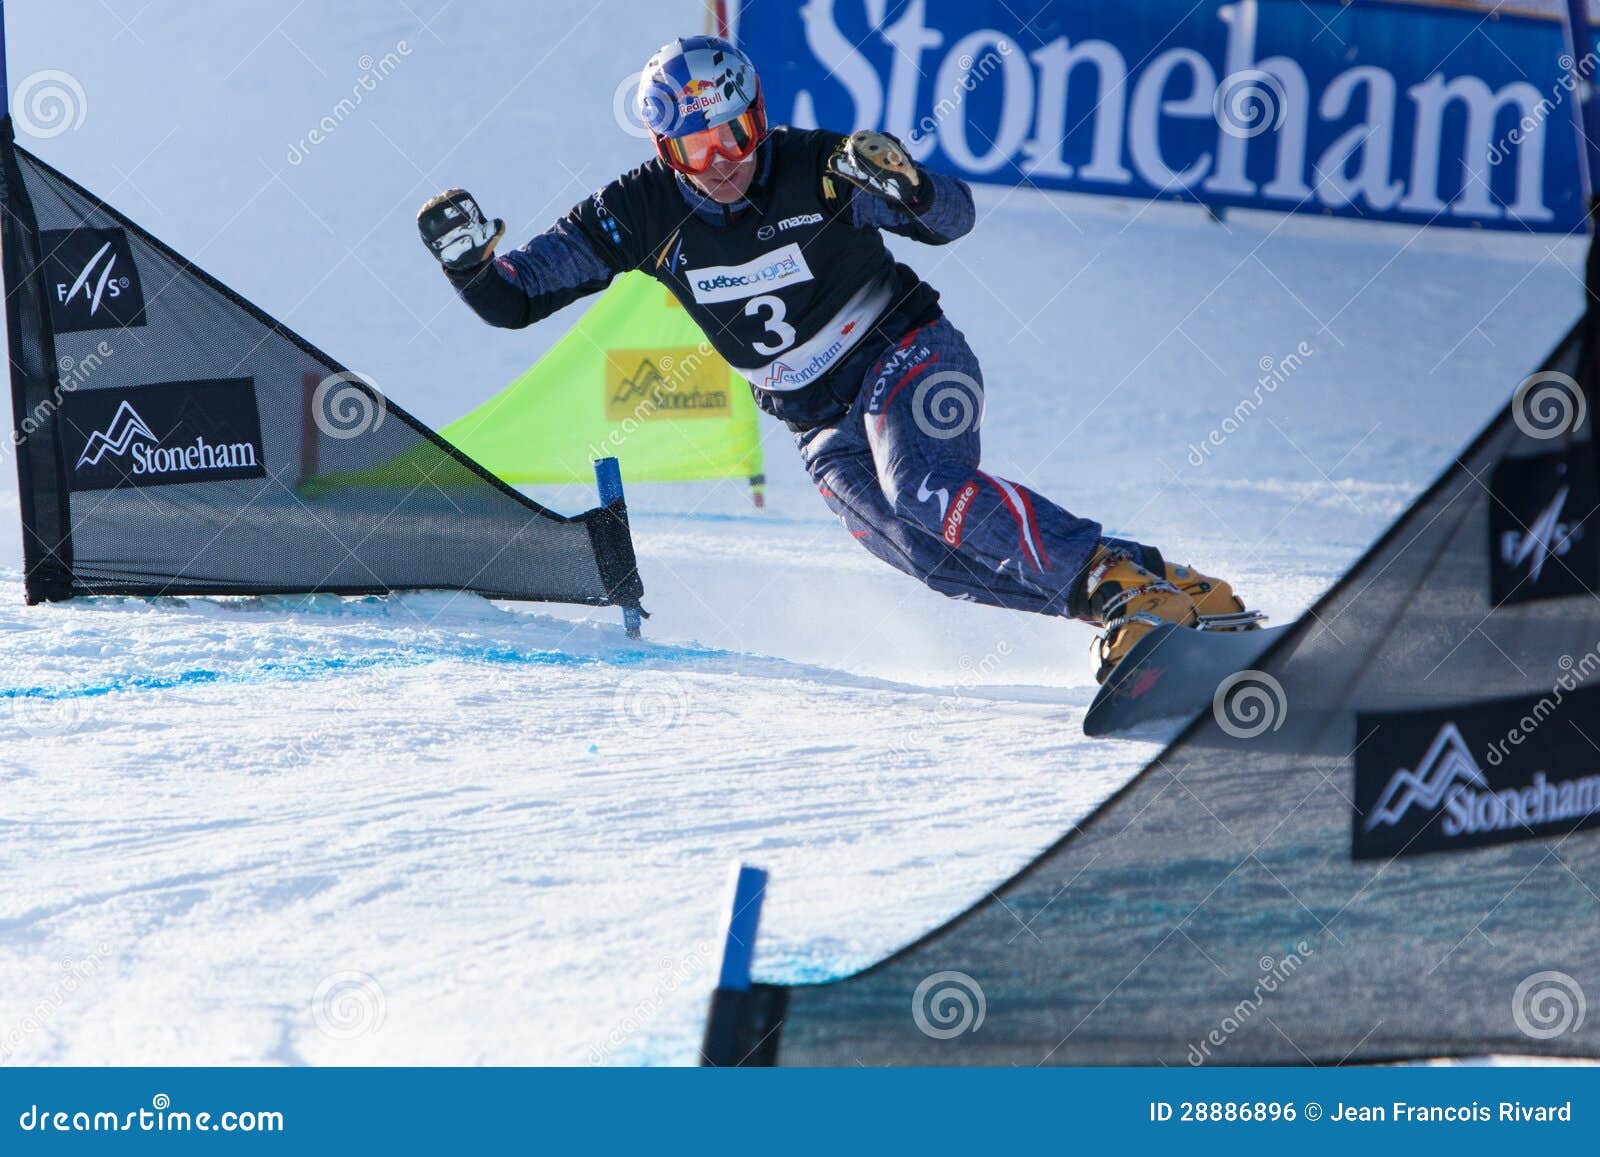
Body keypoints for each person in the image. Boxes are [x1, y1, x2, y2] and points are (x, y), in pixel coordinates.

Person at [418, 35, 1257, 681]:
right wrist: (468, 268)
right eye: (703, 149)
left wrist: (914, 189)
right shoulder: (632, 210)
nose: (731, 163)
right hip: (818, 424)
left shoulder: (815, 166)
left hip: (910, 355)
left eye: (742, 133)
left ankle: (1117, 584)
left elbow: (953, 219)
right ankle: (1151, 587)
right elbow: (518, 296)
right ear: (667, 150)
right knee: (927, 551)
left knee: (925, 486)